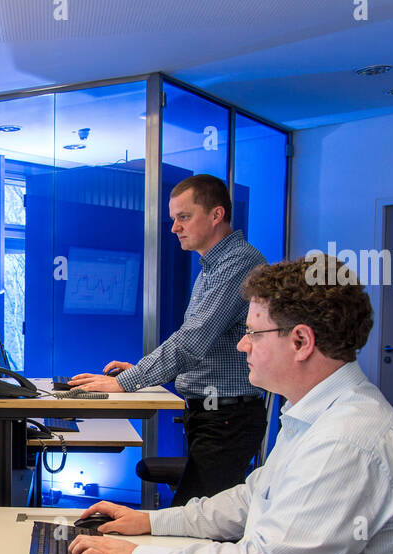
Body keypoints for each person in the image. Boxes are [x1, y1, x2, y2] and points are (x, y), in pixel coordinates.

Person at [67, 257, 393, 554]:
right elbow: (251, 500)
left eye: (253, 333)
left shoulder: (348, 441)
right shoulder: (314, 414)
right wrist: (149, 521)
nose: (241, 344)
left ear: (301, 342)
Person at [68, 174, 268, 506]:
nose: (174, 227)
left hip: (226, 419)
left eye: (184, 217)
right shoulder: (213, 265)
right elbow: (206, 349)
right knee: (195, 520)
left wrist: (127, 382)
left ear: (216, 215)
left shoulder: (239, 263)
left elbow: (191, 342)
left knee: (194, 527)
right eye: (174, 218)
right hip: (213, 415)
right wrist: (143, 373)